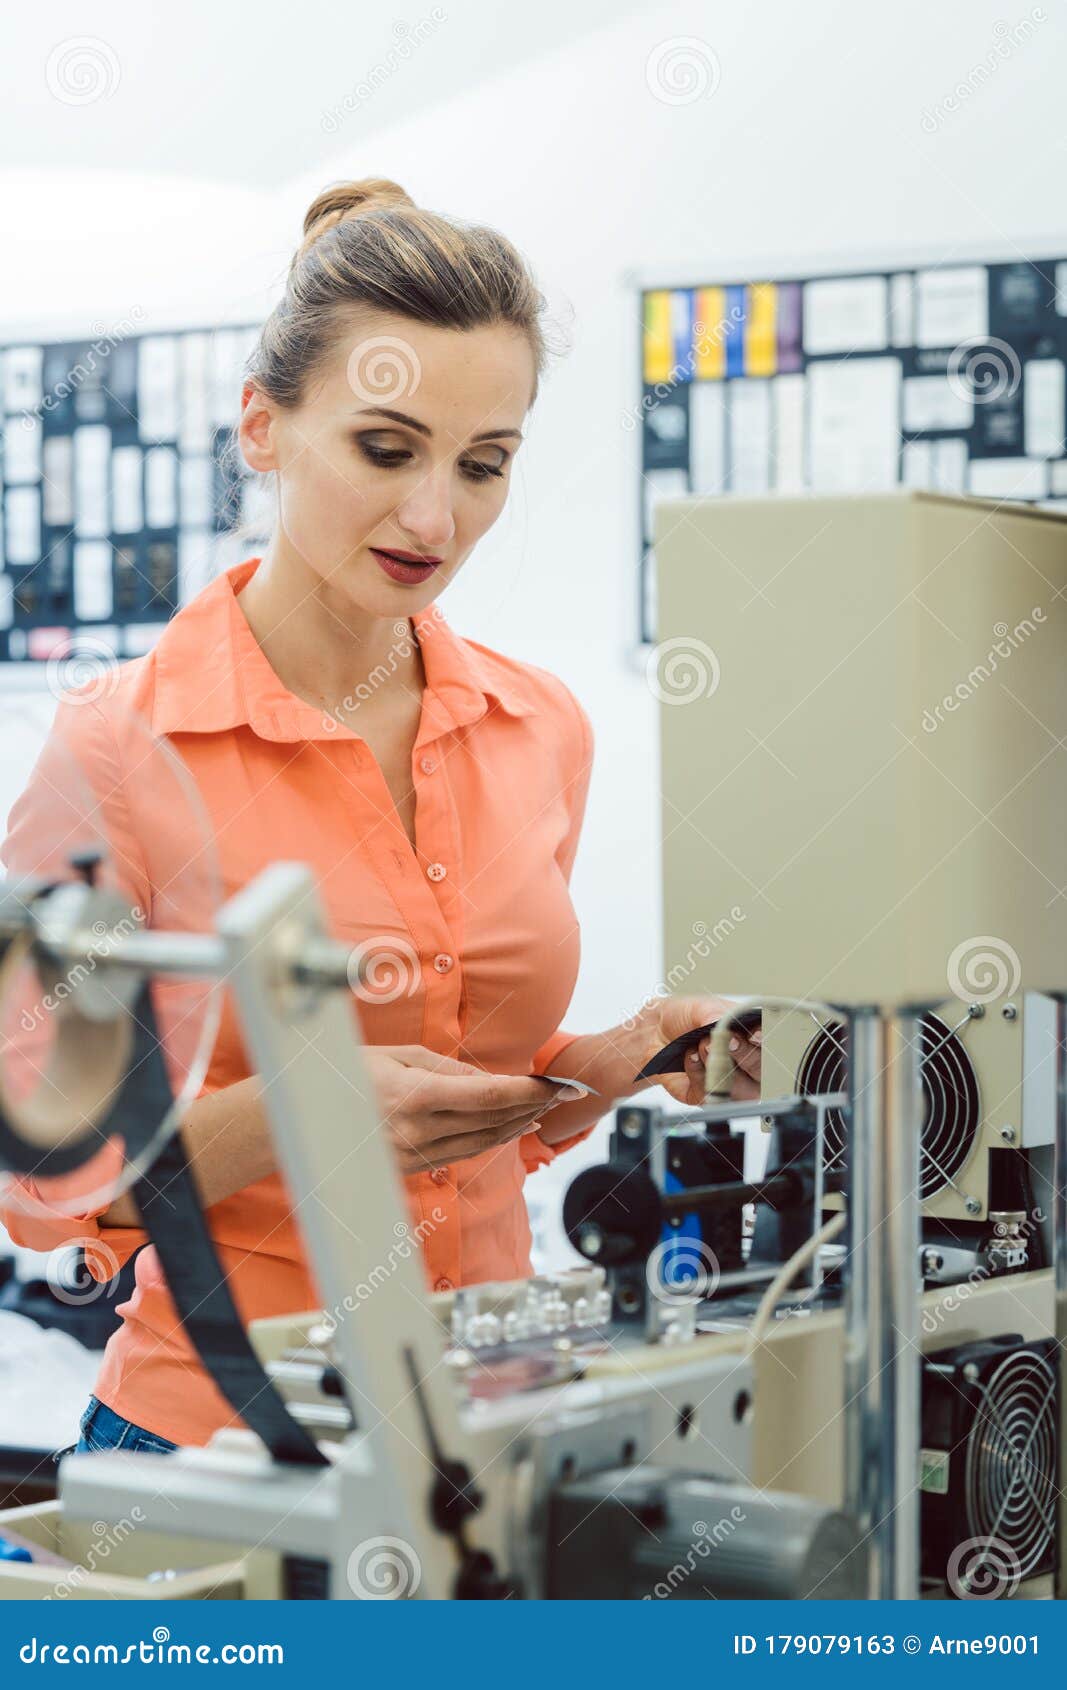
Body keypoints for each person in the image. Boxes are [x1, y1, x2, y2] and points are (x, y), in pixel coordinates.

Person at [0, 178, 762, 1454]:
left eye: (484, 465)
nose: (434, 519)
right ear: (262, 425)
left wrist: (617, 1058)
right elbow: (42, 1183)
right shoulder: (122, 749)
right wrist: (310, 1112)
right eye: (384, 448)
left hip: (489, 1424)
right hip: (222, 1444)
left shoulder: (538, 727)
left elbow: (460, 1114)